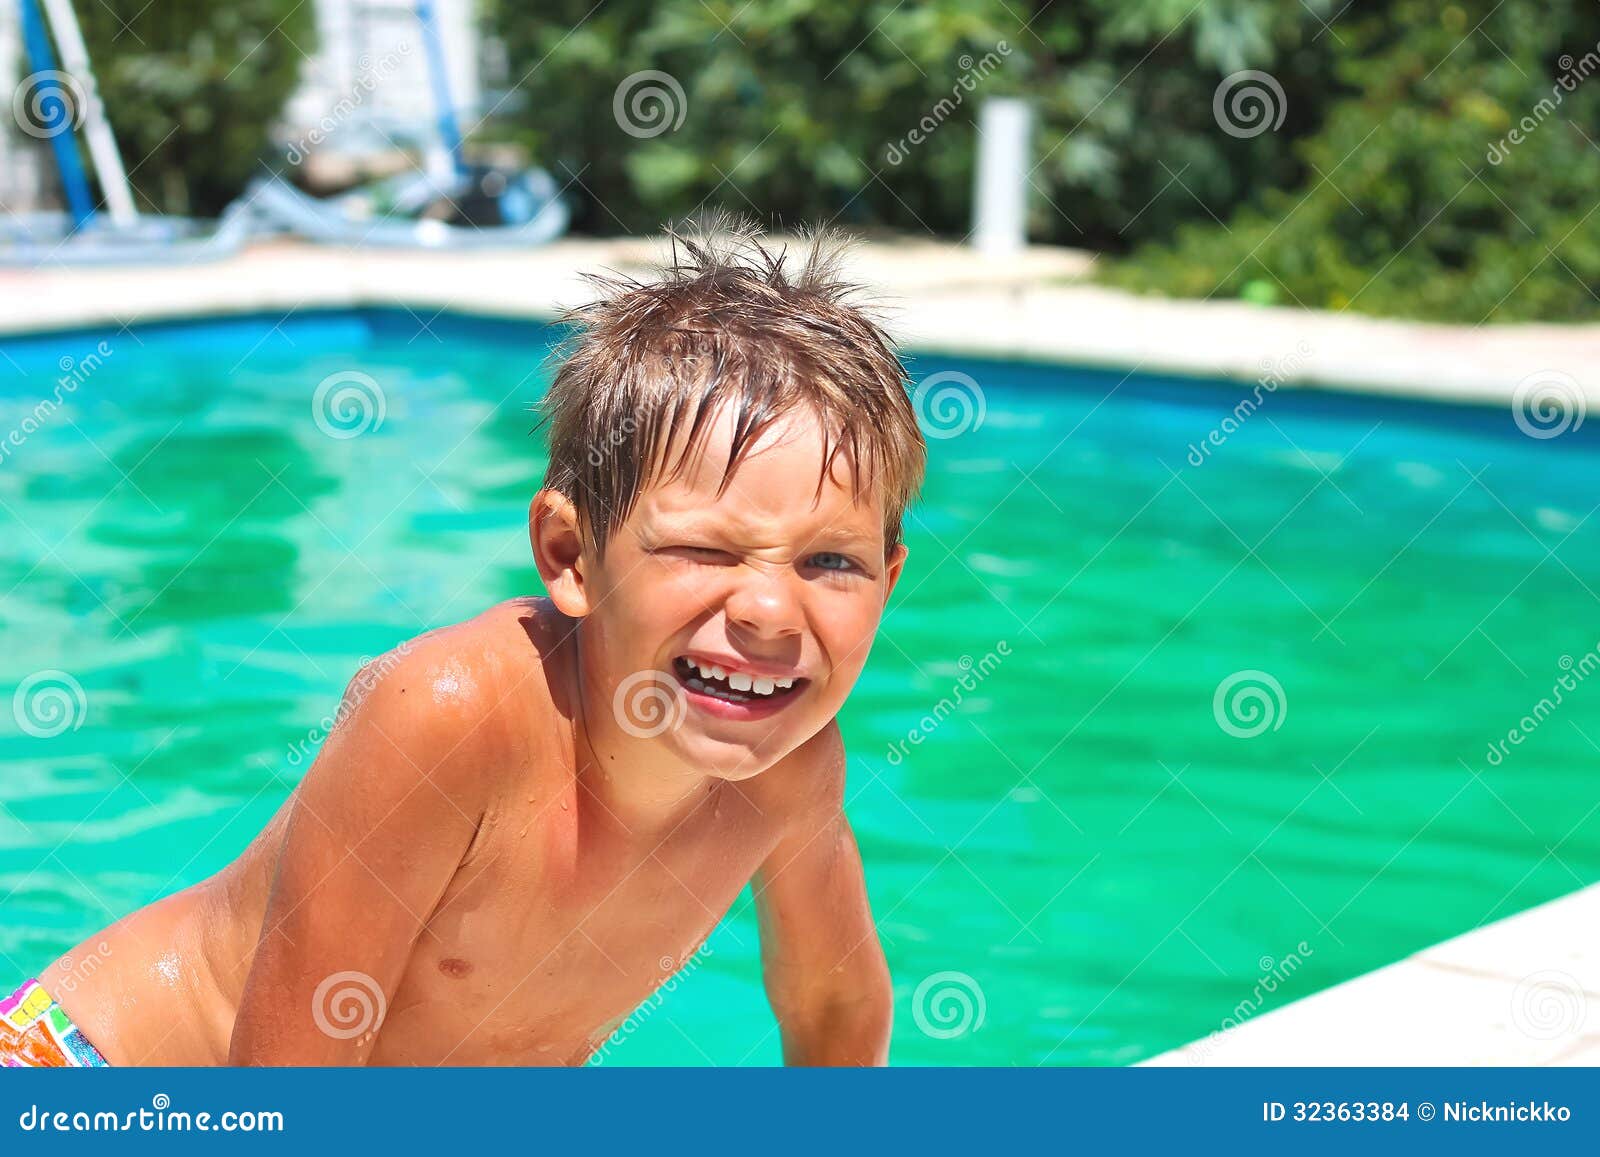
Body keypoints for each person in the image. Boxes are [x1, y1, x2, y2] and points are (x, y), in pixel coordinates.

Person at [8, 224, 926, 1067]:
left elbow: (837, 1011)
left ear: (887, 584)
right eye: (703, 549)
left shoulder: (792, 769)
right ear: (570, 556)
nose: (769, 610)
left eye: (831, 561)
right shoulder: (453, 718)